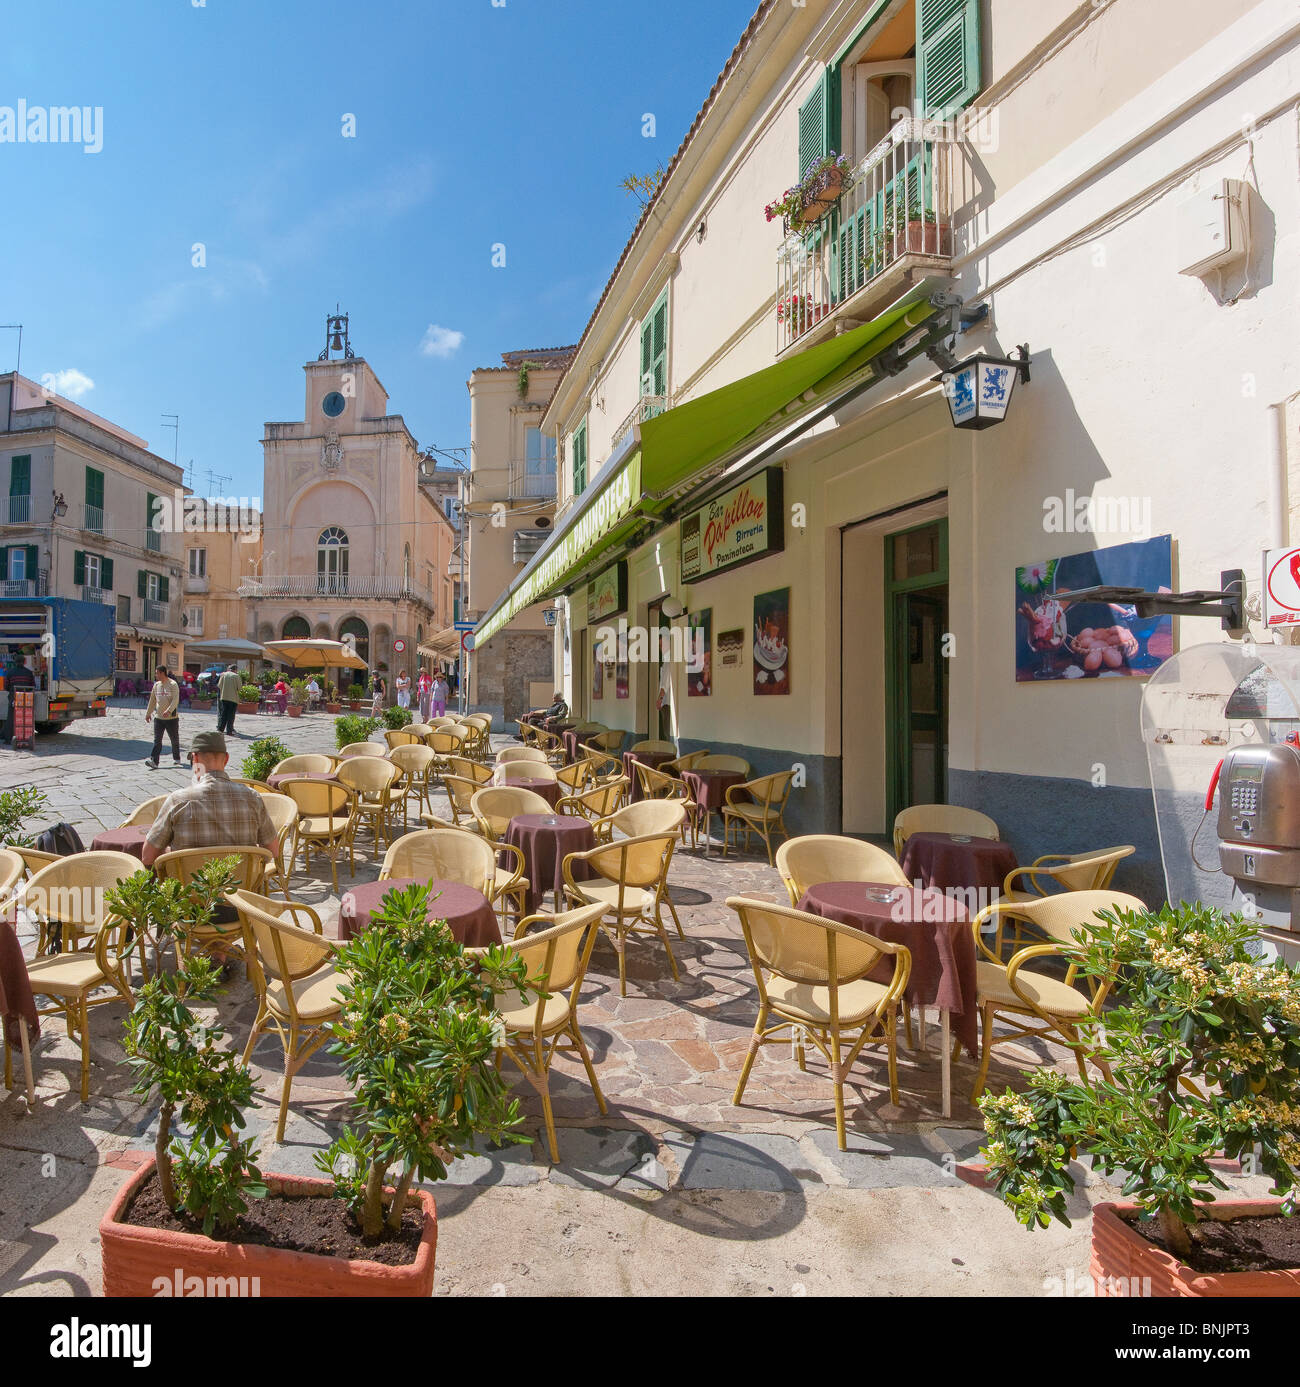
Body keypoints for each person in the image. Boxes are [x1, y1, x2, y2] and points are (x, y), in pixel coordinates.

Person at [143, 730, 280, 936]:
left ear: (195, 759)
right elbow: (274, 851)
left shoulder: (178, 800)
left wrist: (175, 853)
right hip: (240, 905)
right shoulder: (252, 797)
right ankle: (220, 952)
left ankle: (209, 951)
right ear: (226, 759)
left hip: (192, 910)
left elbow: (147, 856)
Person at [144, 665, 182, 769]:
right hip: (159, 718)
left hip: (171, 718)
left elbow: (175, 700)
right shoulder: (156, 685)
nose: (156, 675)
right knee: (157, 740)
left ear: (162, 673)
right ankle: (154, 761)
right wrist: (148, 713)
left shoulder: (173, 684)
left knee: (174, 739)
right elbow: (152, 700)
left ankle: (176, 758)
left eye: (157, 673)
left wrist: (169, 710)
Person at [2, 653, 36, 745]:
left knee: (11, 718)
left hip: (14, 697)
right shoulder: (29, 673)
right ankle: (26, 736)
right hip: (26, 698)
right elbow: (33, 686)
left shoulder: (10, 672)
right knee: (26, 717)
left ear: (15, 662)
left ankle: (8, 739)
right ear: (24, 662)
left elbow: (6, 687)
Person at [216, 664, 242, 735]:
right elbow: (239, 688)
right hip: (233, 698)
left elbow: (219, 685)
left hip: (224, 697)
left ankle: (220, 729)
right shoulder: (236, 676)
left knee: (223, 713)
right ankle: (229, 730)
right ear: (235, 669)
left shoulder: (223, 675)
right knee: (231, 715)